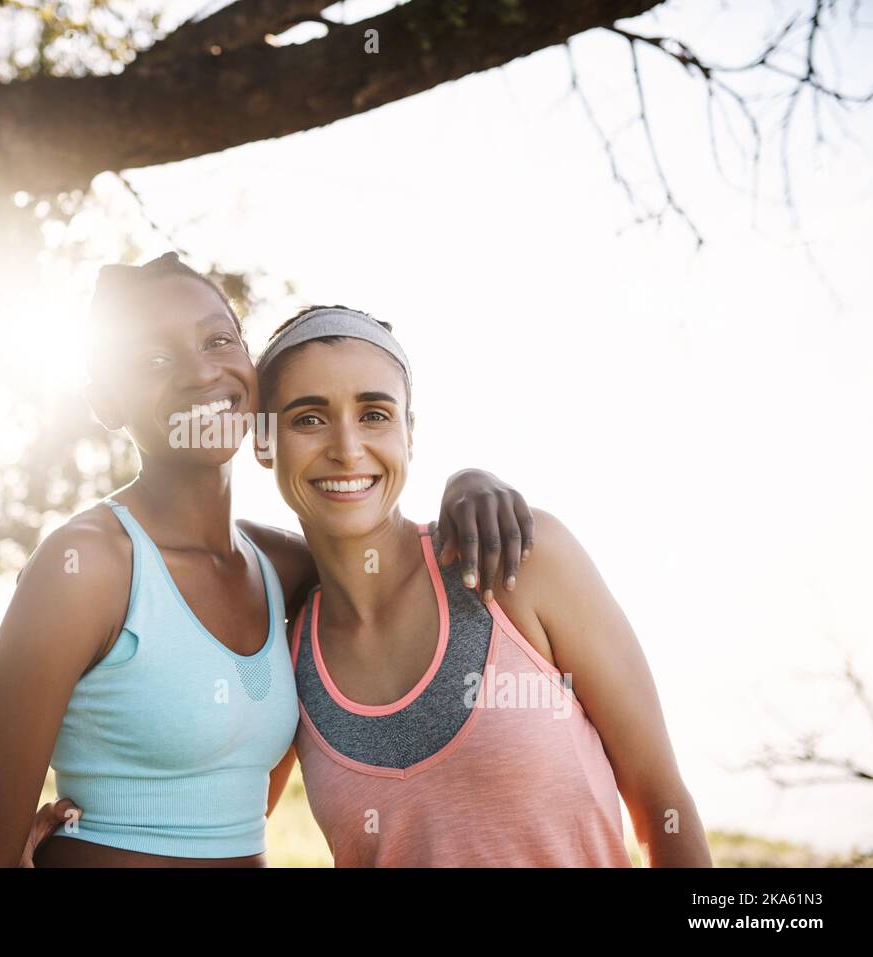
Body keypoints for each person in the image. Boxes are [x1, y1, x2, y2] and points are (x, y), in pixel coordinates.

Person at [0, 255, 533, 867]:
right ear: (107, 403)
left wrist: (470, 481)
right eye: (154, 359)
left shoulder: (285, 568)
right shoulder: (86, 567)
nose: (201, 372)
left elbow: (395, 557)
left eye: (218, 339)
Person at [255, 306, 712, 866]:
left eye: (374, 414)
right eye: (309, 419)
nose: (347, 448)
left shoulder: (522, 562)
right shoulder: (284, 663)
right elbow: (224, 834)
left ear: (409, 433)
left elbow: (661, 804)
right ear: (263, 441)